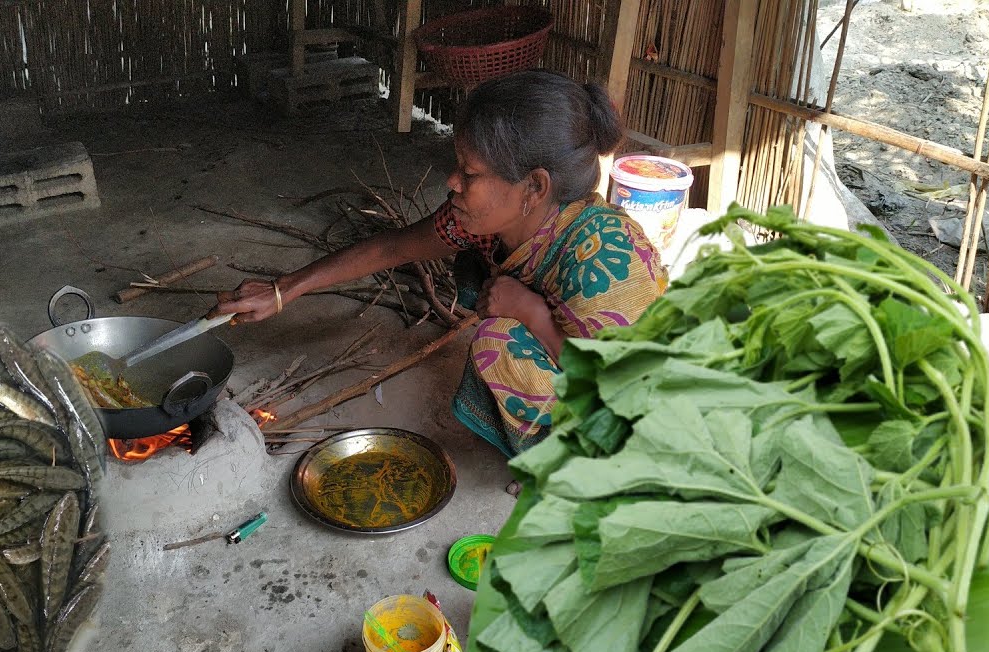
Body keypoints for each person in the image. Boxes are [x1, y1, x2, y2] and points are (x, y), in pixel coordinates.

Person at [210, 69, 668, 458]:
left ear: (534, 187)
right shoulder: (485, 221)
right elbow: (393, 249)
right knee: (478, 275)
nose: (451, 181)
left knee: (500, 343)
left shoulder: (607, 264)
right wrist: (282, 291)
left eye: (469, 174)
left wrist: (529, 312)